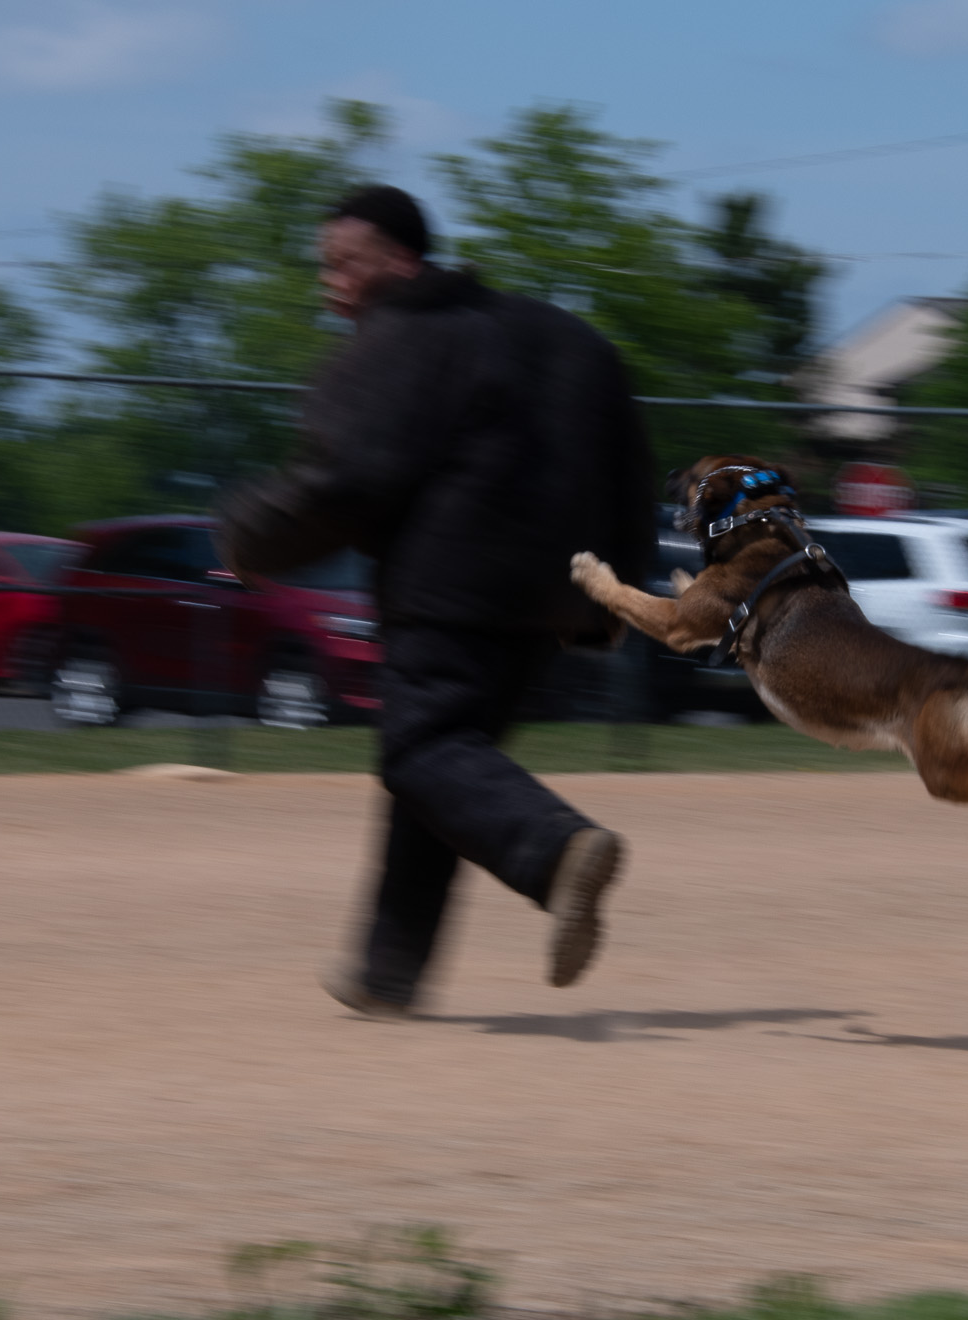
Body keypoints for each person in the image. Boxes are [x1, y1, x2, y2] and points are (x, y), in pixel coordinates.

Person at [217, 184, 654, 1017]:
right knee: (444, 768)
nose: (332, 283)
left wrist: (251, 539)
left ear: (401, 259)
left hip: (448, 588)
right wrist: (615, 593)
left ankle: (556, 849)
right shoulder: (568, 337)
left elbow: (349, 477)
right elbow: (629, 469)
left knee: (422, 753)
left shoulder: (405, 335)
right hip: (550, 597)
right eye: (326, 267)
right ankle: (388, 971)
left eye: (345, 264)